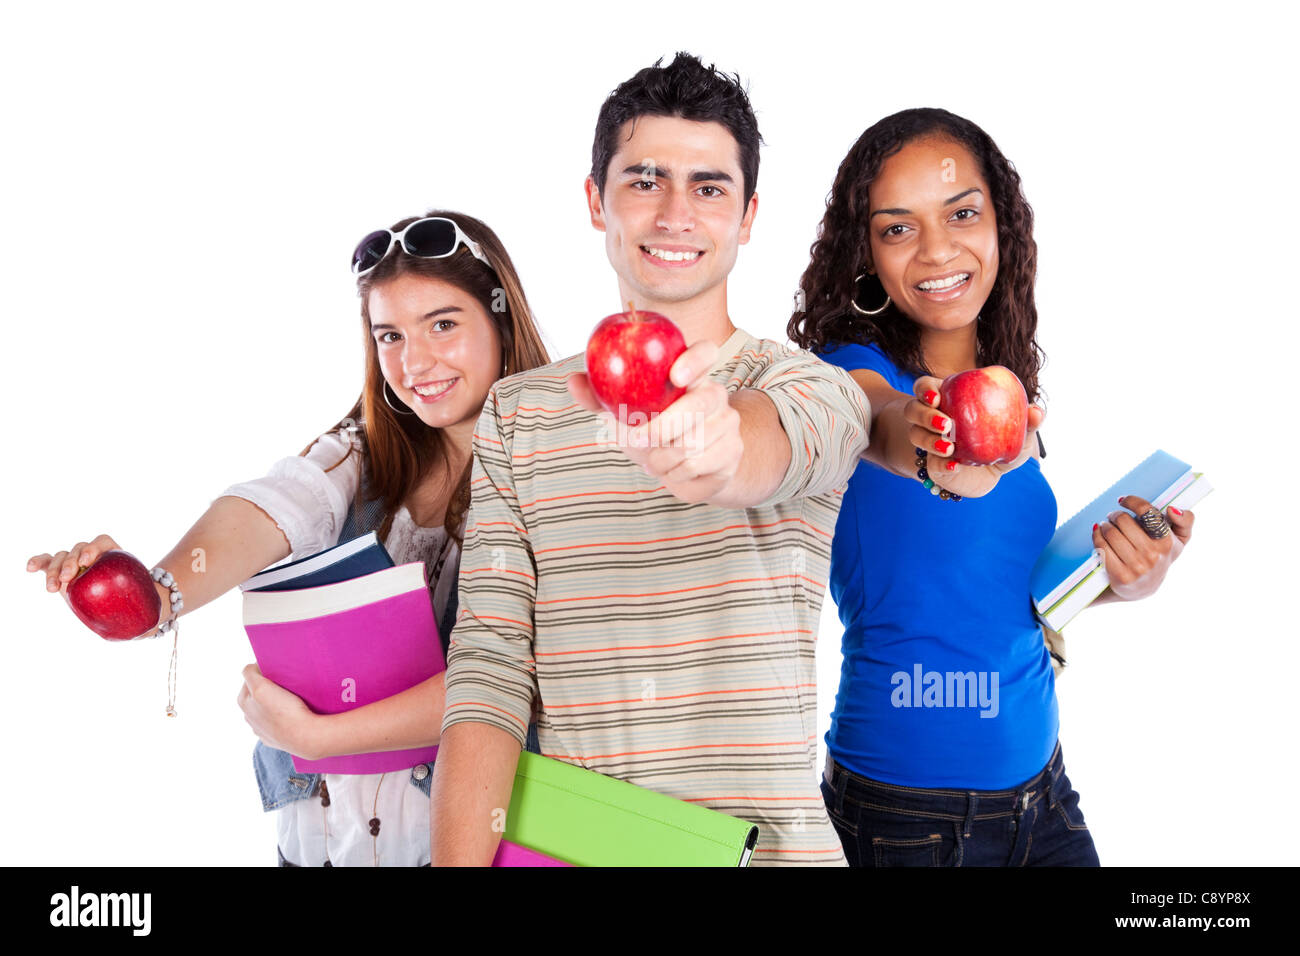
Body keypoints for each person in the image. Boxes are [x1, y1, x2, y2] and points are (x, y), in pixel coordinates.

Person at [428, 53, 871, 866]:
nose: (676, 213)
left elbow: (765, 447)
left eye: (709, 187)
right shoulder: (518, 413)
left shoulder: (816, 390)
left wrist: (717, 447)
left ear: (748, 216)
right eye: (644, 180)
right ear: (597, 201)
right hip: (582, 851)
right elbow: (488, 671)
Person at [26, 210, 551, 866]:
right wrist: (157, 592)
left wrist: (323, 737)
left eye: (443, 324)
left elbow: (510, 678)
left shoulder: (558, 471)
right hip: (320, 848)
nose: (415, 362)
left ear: (501, 319)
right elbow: (270, 508)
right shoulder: (361, 453)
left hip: (463, 845)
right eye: (389, 335)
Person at [788, 108, 1195, 866]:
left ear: (1000, 224)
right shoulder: (844, 378)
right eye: (898, 228)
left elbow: (1000, 596)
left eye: (962, 214)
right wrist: (935, 453)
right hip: (907, 819)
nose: (938, 249)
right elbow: (885, 420)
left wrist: (1124, 578)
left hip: (1044, 796)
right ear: (866, 253)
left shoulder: (1009, 394)